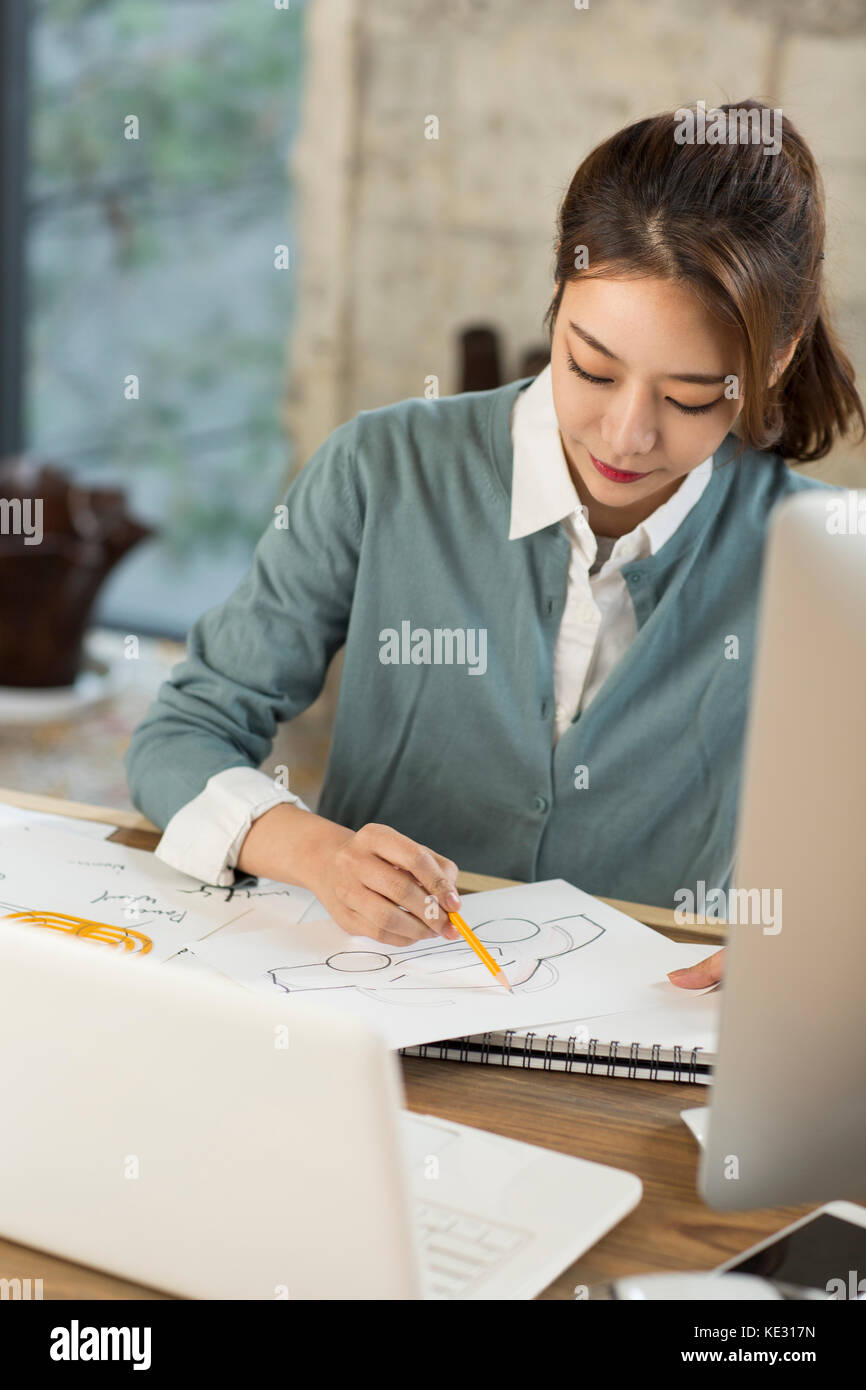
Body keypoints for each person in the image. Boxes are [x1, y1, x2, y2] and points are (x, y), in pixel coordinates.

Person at [126, 100, 864, 991]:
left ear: (777, 359)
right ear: (556, 299)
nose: (627, 436)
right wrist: (318, 855)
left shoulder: (825, 558)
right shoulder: (382, 469)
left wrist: (817, 943)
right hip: (370, 1009)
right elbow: (183, 733)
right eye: (590, 368)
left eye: (692, 395)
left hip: (650, 1056)